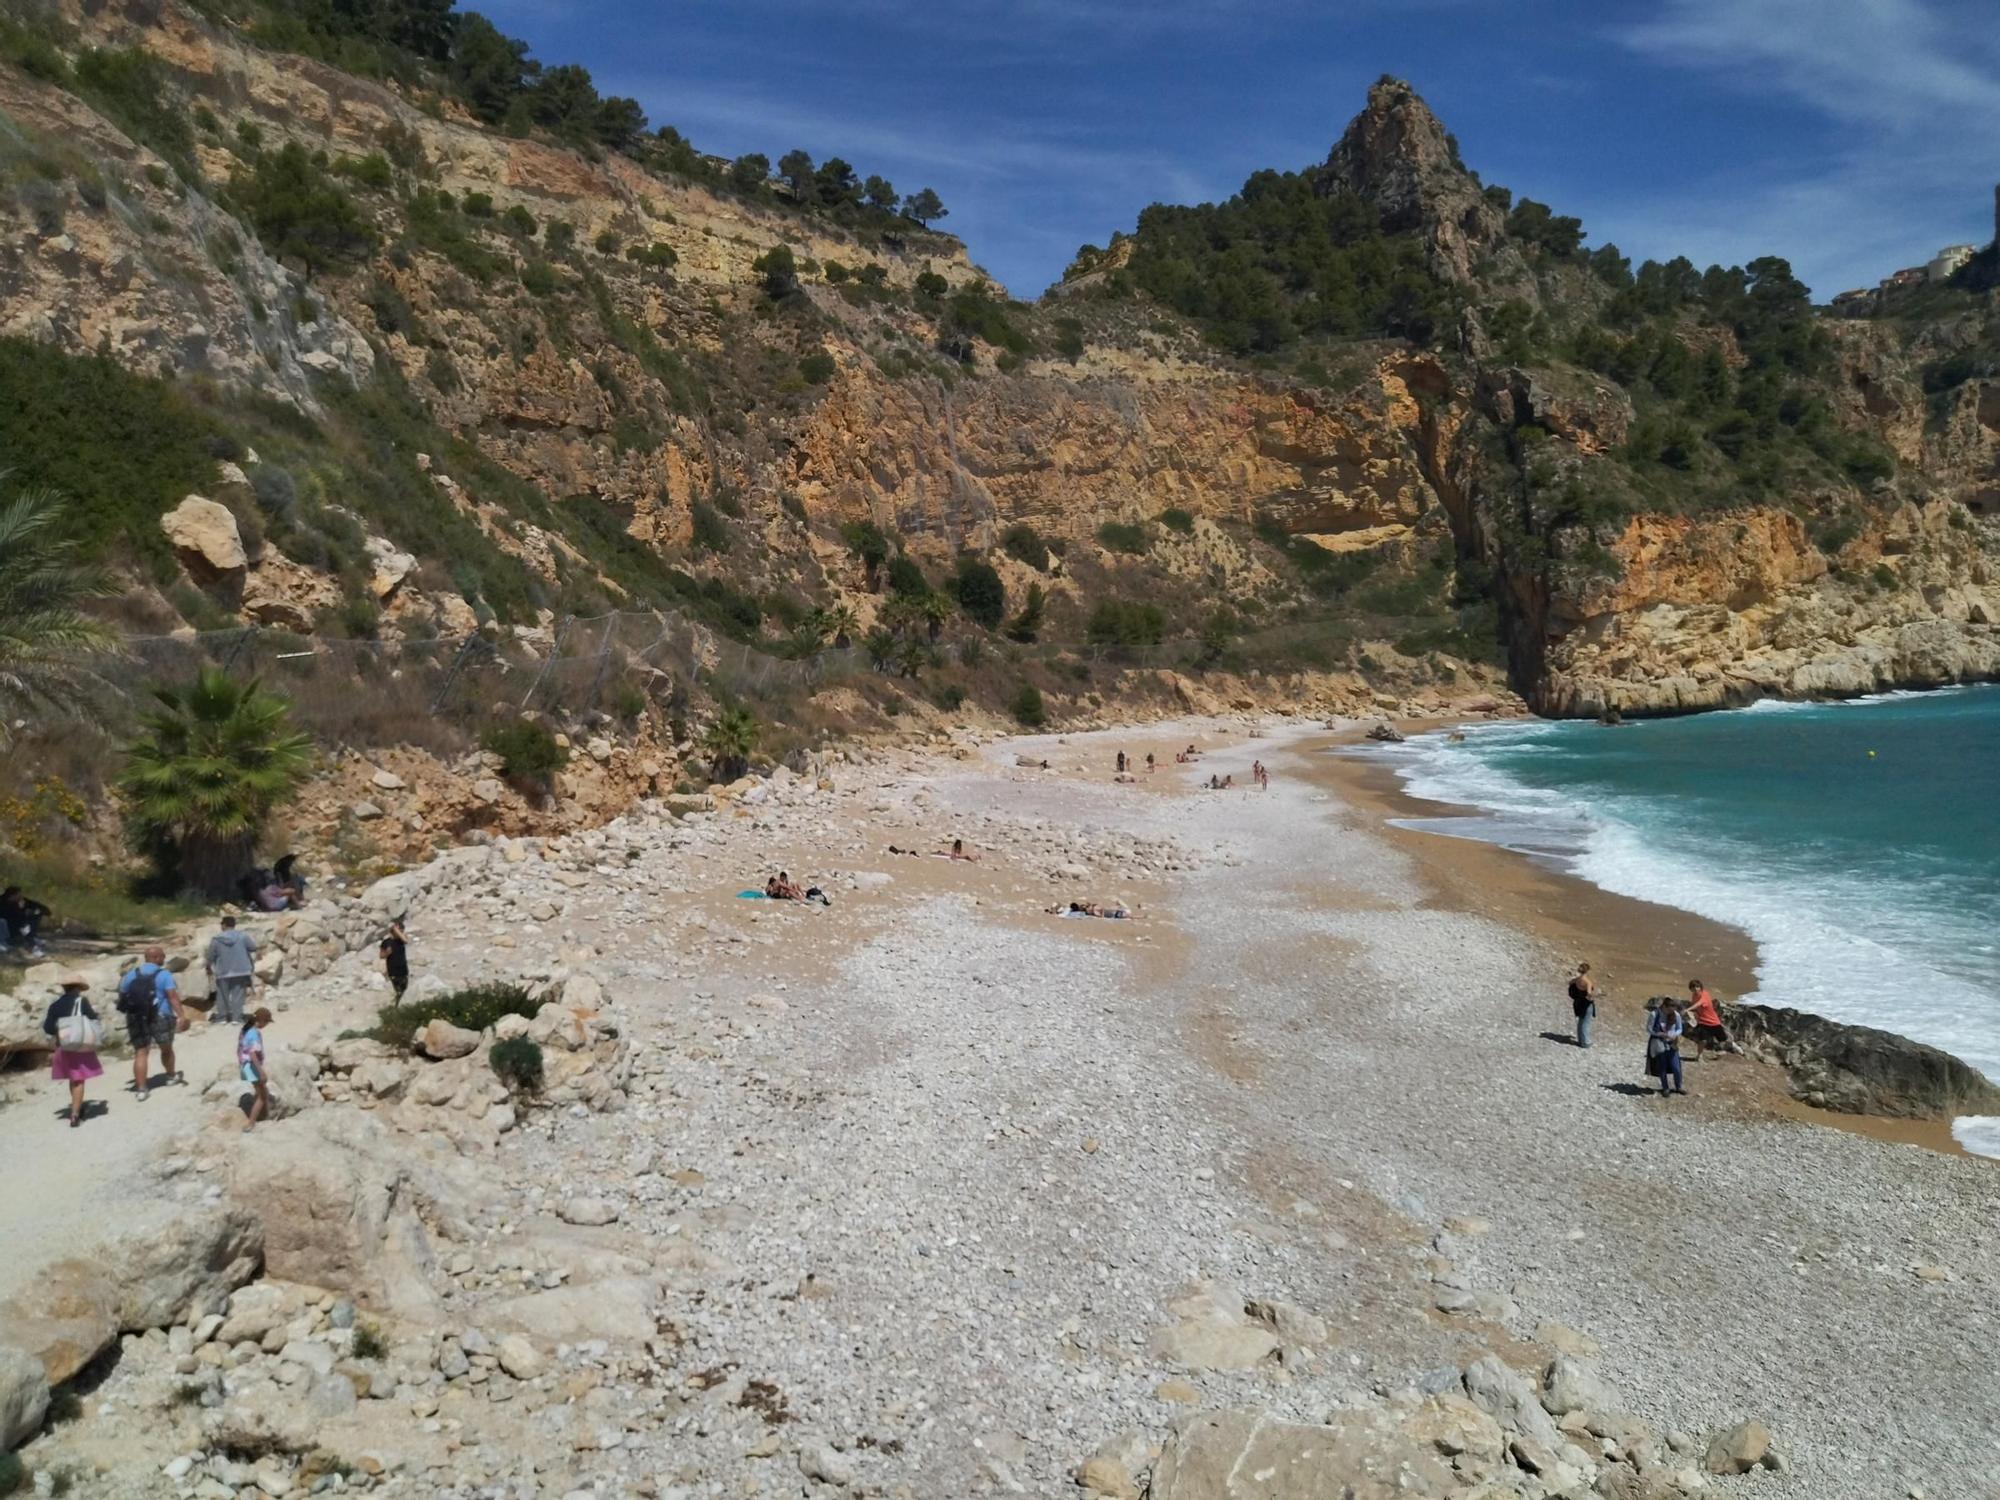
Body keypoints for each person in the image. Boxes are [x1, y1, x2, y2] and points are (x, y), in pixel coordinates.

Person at [117, 945, 188, 1099]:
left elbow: (123, 994)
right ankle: (170, 1076)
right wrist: (182, 1015)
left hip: (136, 1017)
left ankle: (141, 1089)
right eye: (162, 956)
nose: (164, 958)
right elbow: (172, 996)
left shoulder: (131, 974)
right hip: (160, 1015)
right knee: (166, 1048)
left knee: (141, 1052)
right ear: (156, 957)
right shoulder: (164, 974)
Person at [43, 976, 103, 1128]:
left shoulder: (55, 1005)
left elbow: (48, 1028)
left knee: (73, 1078)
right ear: (77, 988)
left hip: (62, 1045)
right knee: (79, 1079)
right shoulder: (81, 1002)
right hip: (79, 1045)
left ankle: (77, 1106)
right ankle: (75, 1115)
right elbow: (92, 1019)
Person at [205, 915, 257, 1025]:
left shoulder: (216, 939)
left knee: (222, 995)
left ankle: (222, 1018)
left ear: (224, 925)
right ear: (234, 925)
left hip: (223, 971)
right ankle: (236, 1018)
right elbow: (253, 947)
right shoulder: (242, 936)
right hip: (241, 970)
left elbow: (210, 956)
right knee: (238, 995)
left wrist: (208, 966)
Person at [239, 1007, 272, 1130]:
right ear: (262, 1020)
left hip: (246, 1066)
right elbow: (253, 1053)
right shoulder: (254, 1034)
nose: (267, 1025)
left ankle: (261, 1117)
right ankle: (251, 1123)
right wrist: (261, 1071)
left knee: (260, 1092)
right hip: (253, 1067)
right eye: (267, 1022)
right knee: (262, 1096)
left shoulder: (248, 1031)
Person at [1685, 978, 1737, 1054]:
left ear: (1700, 987)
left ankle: (1736, 1048)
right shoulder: (1694, 996)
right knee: (1702, 1040)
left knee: (1723, 1039)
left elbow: (1698, 1004)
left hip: (1713, 1021)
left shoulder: (1704, 994)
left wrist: (1687, 1009)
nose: (1696, 989)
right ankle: (1699, 1056)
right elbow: (1696, 1007)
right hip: (1703, 1022)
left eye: (1697, 987)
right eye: (1693, 987)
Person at [1646, 999, 1685, 1097]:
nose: (1670, 1012)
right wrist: (1658, 1033)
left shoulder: (1676, 1015)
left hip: (1672, 1043)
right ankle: (1665, 1088)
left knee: (1676, 1066)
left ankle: (1679, 1086)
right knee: (1662, 1067)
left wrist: (1674, 1035)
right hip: (1659, 1043)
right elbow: (1649, 1028)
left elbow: (1679, 1028)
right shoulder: (1654, 1015)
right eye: (1669, 1010)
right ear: (1664, 1007)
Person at [0, 885, 50, 957]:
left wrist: (38, 912)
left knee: (34, 917)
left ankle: (32, 941)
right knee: (3, 921)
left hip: (17, 925)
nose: (21, 896)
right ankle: (32, 945)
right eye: (18, 895)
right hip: (5, 928)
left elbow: (42, 908)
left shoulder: (21, 901)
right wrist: (20, 909)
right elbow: (9, 915)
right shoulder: (2, 902)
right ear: (12, 895)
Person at [1568, 962, 1598, 1049]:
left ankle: (1580, 1040)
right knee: (1586, 1022)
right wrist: (1596, 995)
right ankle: (1585, 1042)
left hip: (1578, 1002)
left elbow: (1570, 983)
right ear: (1587, 971)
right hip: (1586, 1004)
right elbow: (1589, 994)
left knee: (1581, 1021)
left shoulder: (1577, 980)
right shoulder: (1587, 982)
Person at [380, 920, 410, 1004]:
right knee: (398, 992)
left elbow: (406, 940)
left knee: (404, 991)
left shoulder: (401, 940)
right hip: (393, 971)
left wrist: (396, 929)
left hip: (403, 970)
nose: (401, 932)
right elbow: (381, 956)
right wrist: (387, 953)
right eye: (400, 930)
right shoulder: (386, 942)